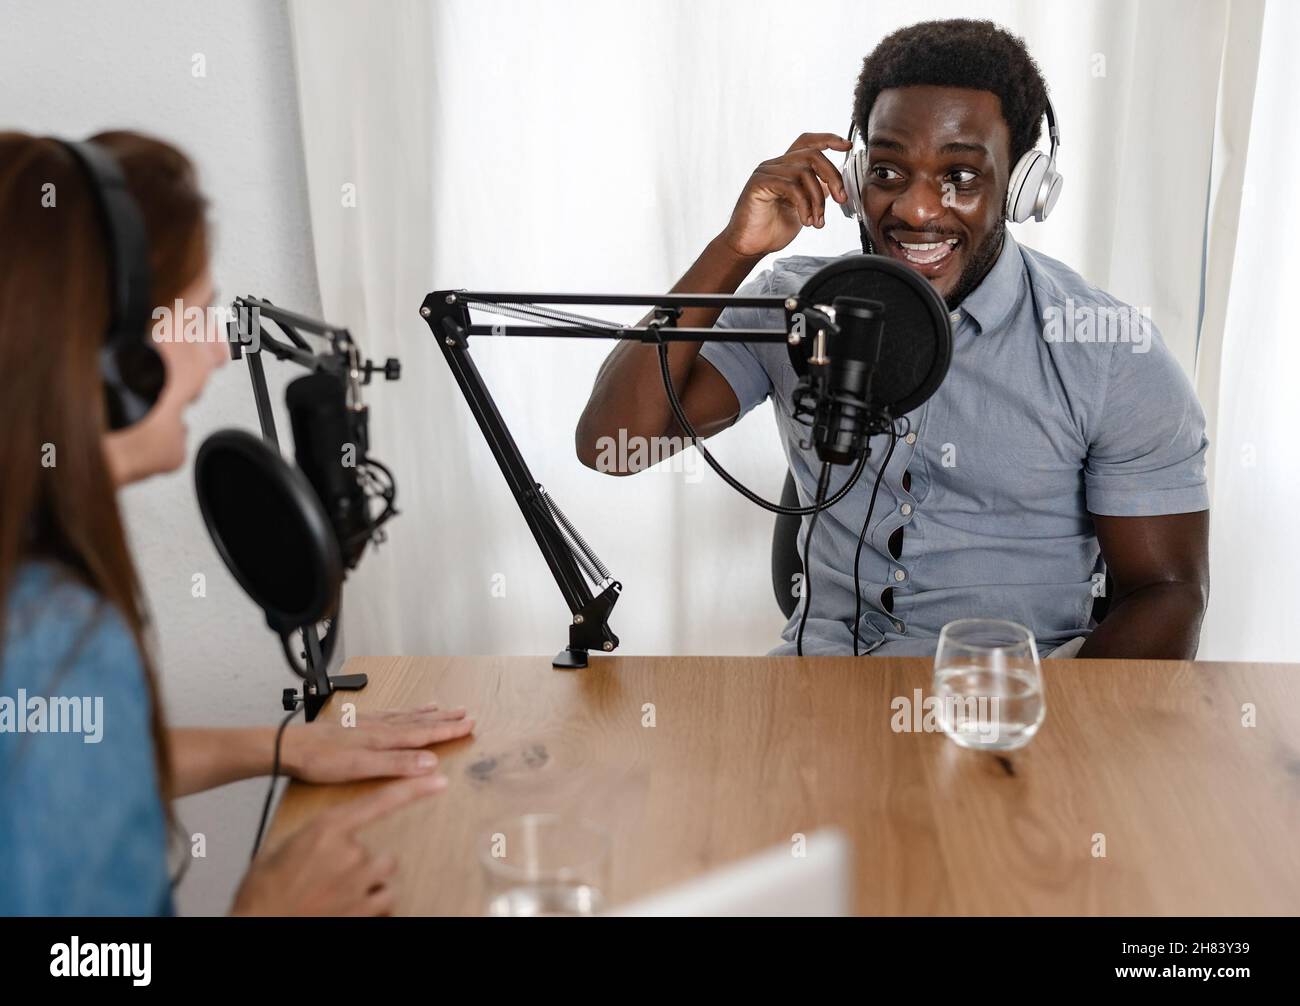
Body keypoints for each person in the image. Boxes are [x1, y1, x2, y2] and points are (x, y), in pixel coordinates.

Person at [576, 19, 1209, 659]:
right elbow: (611, 446)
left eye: (961, 176)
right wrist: (733, 250)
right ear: (852, 180)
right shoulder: (793, 304)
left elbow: (1167, 591)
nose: (916, 209)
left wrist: (1040, 736)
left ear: (1022, 188)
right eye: (887, 171)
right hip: (817, 696)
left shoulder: (1107, 351)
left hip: (1013, 706)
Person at [0, 130, 474, 916]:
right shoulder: (54, 636)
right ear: (118, 363)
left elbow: (56, 756)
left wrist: (284, 746)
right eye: (196, 318)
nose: (217, 356)